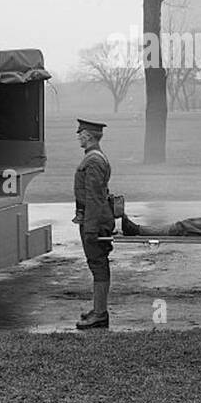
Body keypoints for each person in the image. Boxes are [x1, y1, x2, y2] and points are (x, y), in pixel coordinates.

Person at [73, 118, 114, 330]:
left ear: (88, 136)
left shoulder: (93, 161)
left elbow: (94, 198)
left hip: (95, 222)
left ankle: (100, 315)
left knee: (98, 265)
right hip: (95, 219)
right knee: (97, 265)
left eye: (80, 133)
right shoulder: (94, 158)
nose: (78, 136)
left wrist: (90, 228)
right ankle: (98, 310)